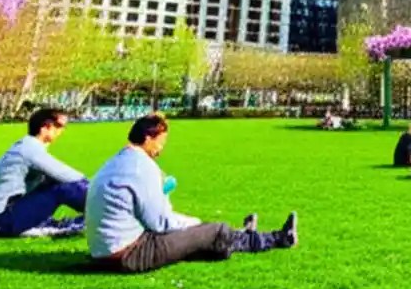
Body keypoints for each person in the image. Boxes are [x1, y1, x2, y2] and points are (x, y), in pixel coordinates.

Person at [87, 114, 298, 273]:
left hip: (104, 252)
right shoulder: (142, 166)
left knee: (201, 240)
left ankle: (241, 236)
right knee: (215, 231)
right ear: (148, 138)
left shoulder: (117, 161)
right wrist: (196, 223)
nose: (161, 149)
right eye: (161, 142)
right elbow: (161, 223)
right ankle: (276, 238)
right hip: (128, 254)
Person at [0, 108, 88, 238]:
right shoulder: (30, 149)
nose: (62, 131)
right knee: (63, 188)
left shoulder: (25, 146)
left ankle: (102, 213)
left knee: (52, 183)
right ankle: (106, 214)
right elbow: (73, 178)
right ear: (45, 127)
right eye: (59, 126)